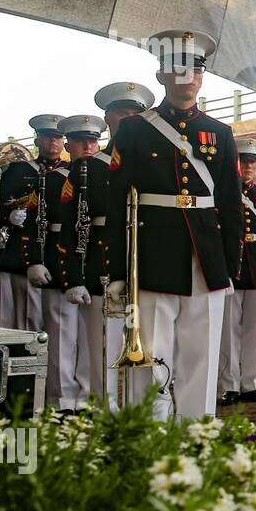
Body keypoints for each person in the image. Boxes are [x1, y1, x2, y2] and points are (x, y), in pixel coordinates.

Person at [106, 29, 244, 420]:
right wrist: (118, 272)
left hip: (207, 261)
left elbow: (231, 207)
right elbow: (118, 206)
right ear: (162, 76)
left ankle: (195, 434)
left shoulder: (220, 133)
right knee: (150, 359)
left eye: (196, 68)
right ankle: (150, 440)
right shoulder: (135, 130)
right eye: (179, 68)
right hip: (152, 260)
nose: (190, 76)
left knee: (201, 358)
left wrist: (229, 266)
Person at [88, 82, 156, 402]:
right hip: (107, 258)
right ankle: (106, 406)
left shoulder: (151, 163)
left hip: (144, 259)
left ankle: (138, 405)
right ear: (107, 118)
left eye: (135, 113)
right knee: (107, 337)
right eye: (122, 113)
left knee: (148, 337)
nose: (128, 119)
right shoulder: (91, 166)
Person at [53, 113, 121, 410]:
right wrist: (72, 277)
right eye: (82, 142)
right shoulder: (86, 170)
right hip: (99, 261)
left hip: (136, 263)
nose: (88, 147)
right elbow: (70, 224)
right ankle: (97, 402)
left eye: (92, 141)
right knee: (96, 341)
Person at [28, 119, 86, 412]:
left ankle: (87, 398)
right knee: (60, 335)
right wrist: (36, 260)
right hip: (58, 259)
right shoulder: (50, 179)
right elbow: (36, 223)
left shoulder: (100, 175)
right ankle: (61, 399)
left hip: (90, 262)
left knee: (87, 340)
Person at [0, 114, 65, 332]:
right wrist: (9, 215)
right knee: (10, 316)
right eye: (47, 137)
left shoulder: (70, 171)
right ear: (37, 141)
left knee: (50, 319)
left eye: (57, 137)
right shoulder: (18, 171)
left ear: (64, 142)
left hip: (54, 248)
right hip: (17, 252)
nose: (53, 142)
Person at [219, 138, 256, 407]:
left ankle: (252, 383)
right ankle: (230, 384)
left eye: (252, 161)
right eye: (243, 161)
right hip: (232, 264)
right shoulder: (223, 192)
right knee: (229, 331)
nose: (249, 166)